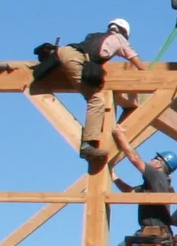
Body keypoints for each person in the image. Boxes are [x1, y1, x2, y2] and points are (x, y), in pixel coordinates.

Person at [31, 18, 143, 159]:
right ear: (124, 32)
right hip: (75, 59)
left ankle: (3, 66)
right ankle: (87, 146)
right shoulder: (120, 40)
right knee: (96, 99)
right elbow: (138, 63)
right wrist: (147, 74)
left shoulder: (96, 36)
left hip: (63, 51)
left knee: (34, 72)